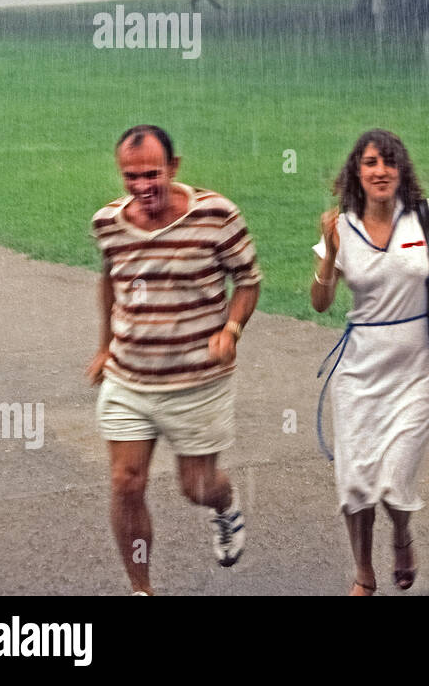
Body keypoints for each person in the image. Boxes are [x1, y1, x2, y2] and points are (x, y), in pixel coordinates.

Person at [86, 125, 261, 595]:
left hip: (198, 381)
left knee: (197, 488)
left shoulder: (217, 215)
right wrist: (104, 346)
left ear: (174, 167)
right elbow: (110, 279)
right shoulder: (107, 222)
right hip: (130, 379)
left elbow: (248, 281)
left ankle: (224, 507)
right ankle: (141, 590)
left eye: (152, 174)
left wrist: (232, 328)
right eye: (131, 176)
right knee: (126, 482)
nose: (143, 186)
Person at [311, 129, 429, 596]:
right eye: (370, 163)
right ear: (356, 173)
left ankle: (402, 536)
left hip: (416, 372)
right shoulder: (340, 227)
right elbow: (321, 303)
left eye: (388, 162)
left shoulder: (428, 218)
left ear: (401, 170)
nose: (380, 171)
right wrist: (327, 255)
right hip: (360, 374)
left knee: (393, 479)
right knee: (355, 485)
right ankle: (363, 572)